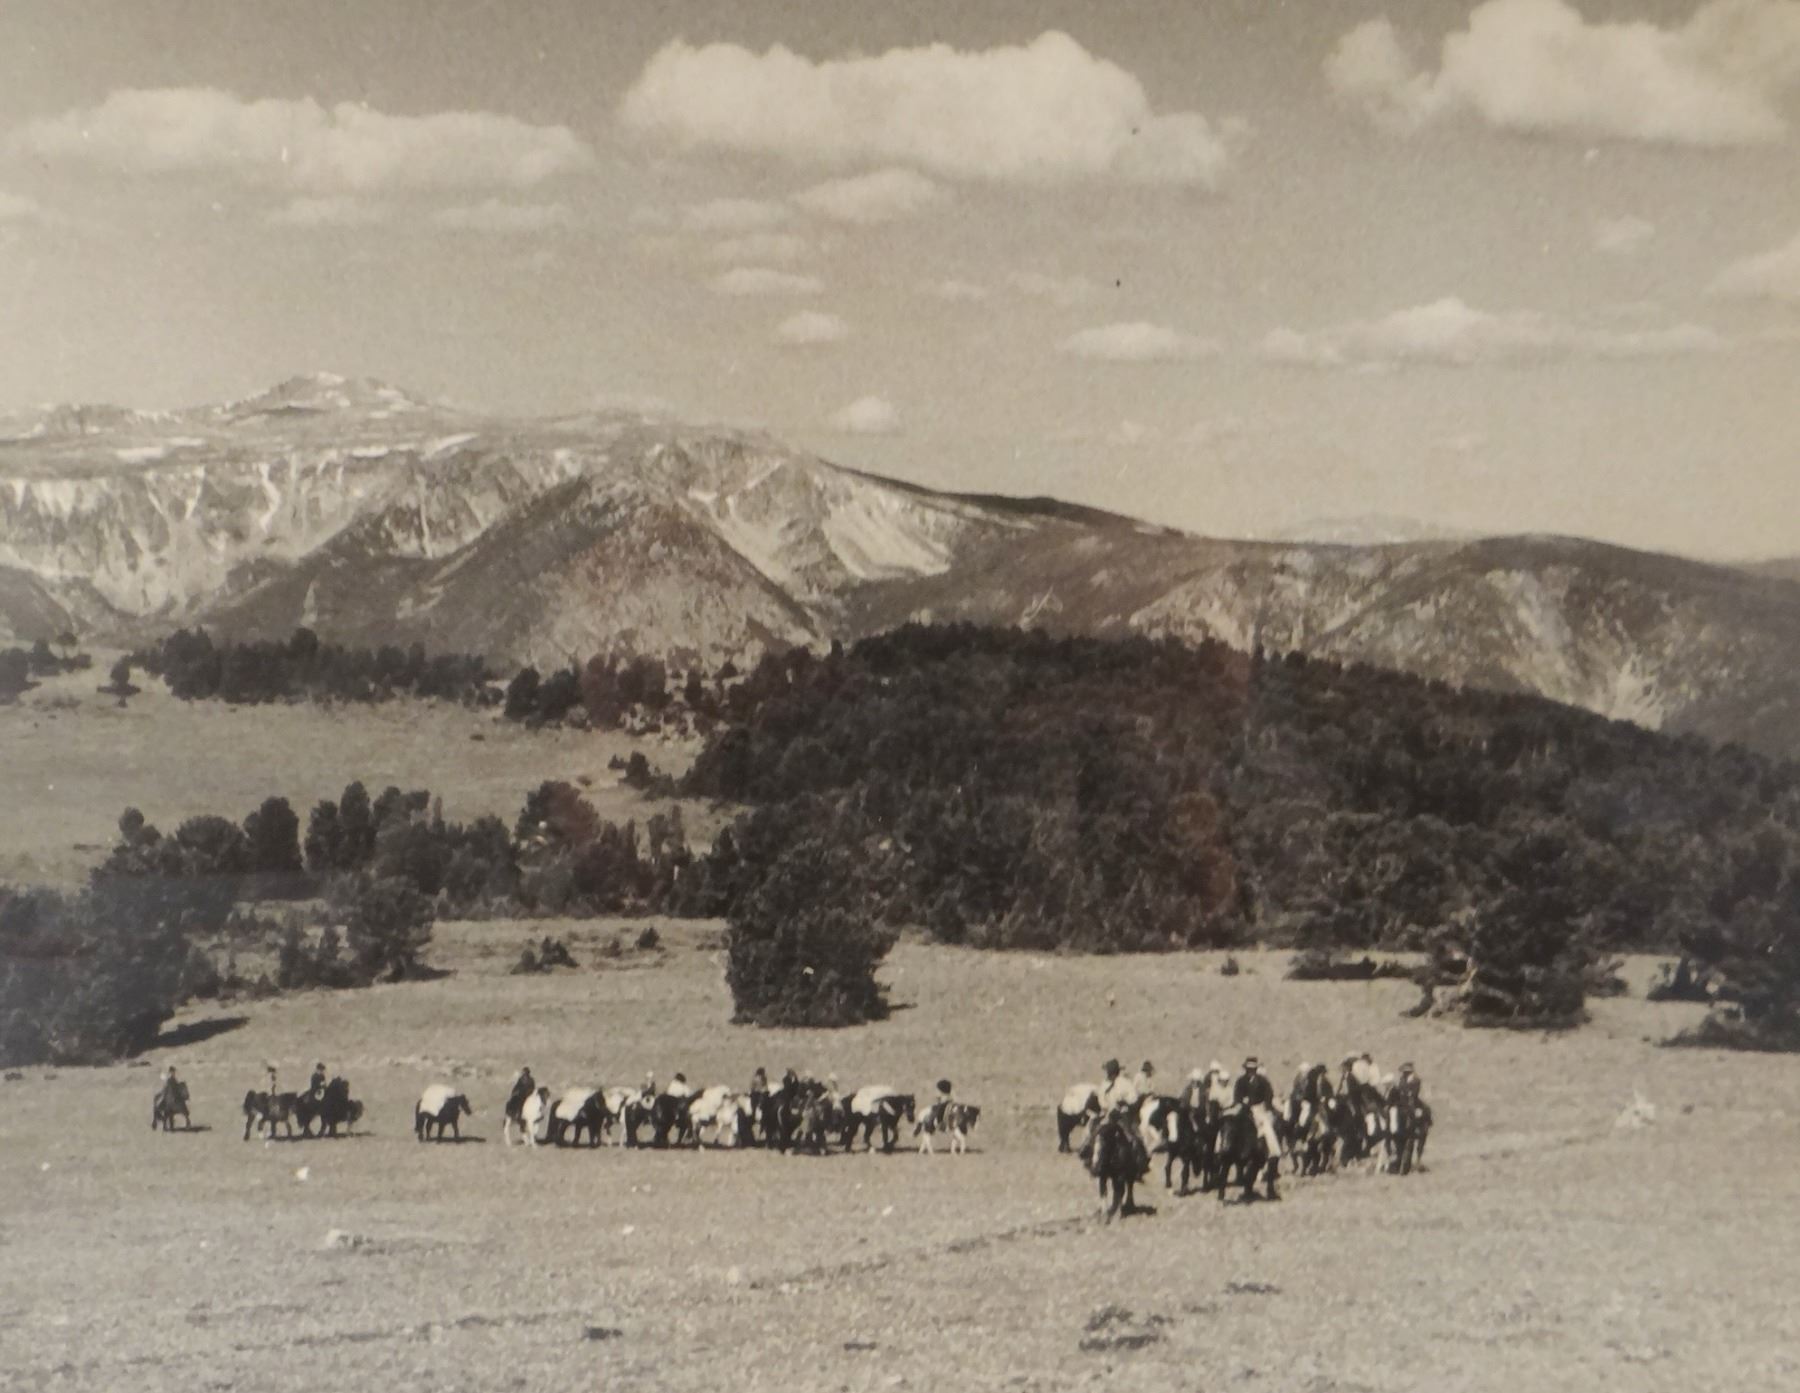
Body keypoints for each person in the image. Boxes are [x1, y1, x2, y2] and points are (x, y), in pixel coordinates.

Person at [1232, 1057, 1282, 1164]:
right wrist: (1241, 1101)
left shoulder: (1262, 1081)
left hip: (1259, 1108)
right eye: (1248, 1070)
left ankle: (1273, 1152)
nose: (1250, 1072)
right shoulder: (1241, 1081)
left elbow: (1269, 1094)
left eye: (1253, 1069)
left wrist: (1266, 1106)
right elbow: (1237, 1095)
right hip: (1245, 1108)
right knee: (1232, 1124)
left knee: (1267, 1127)